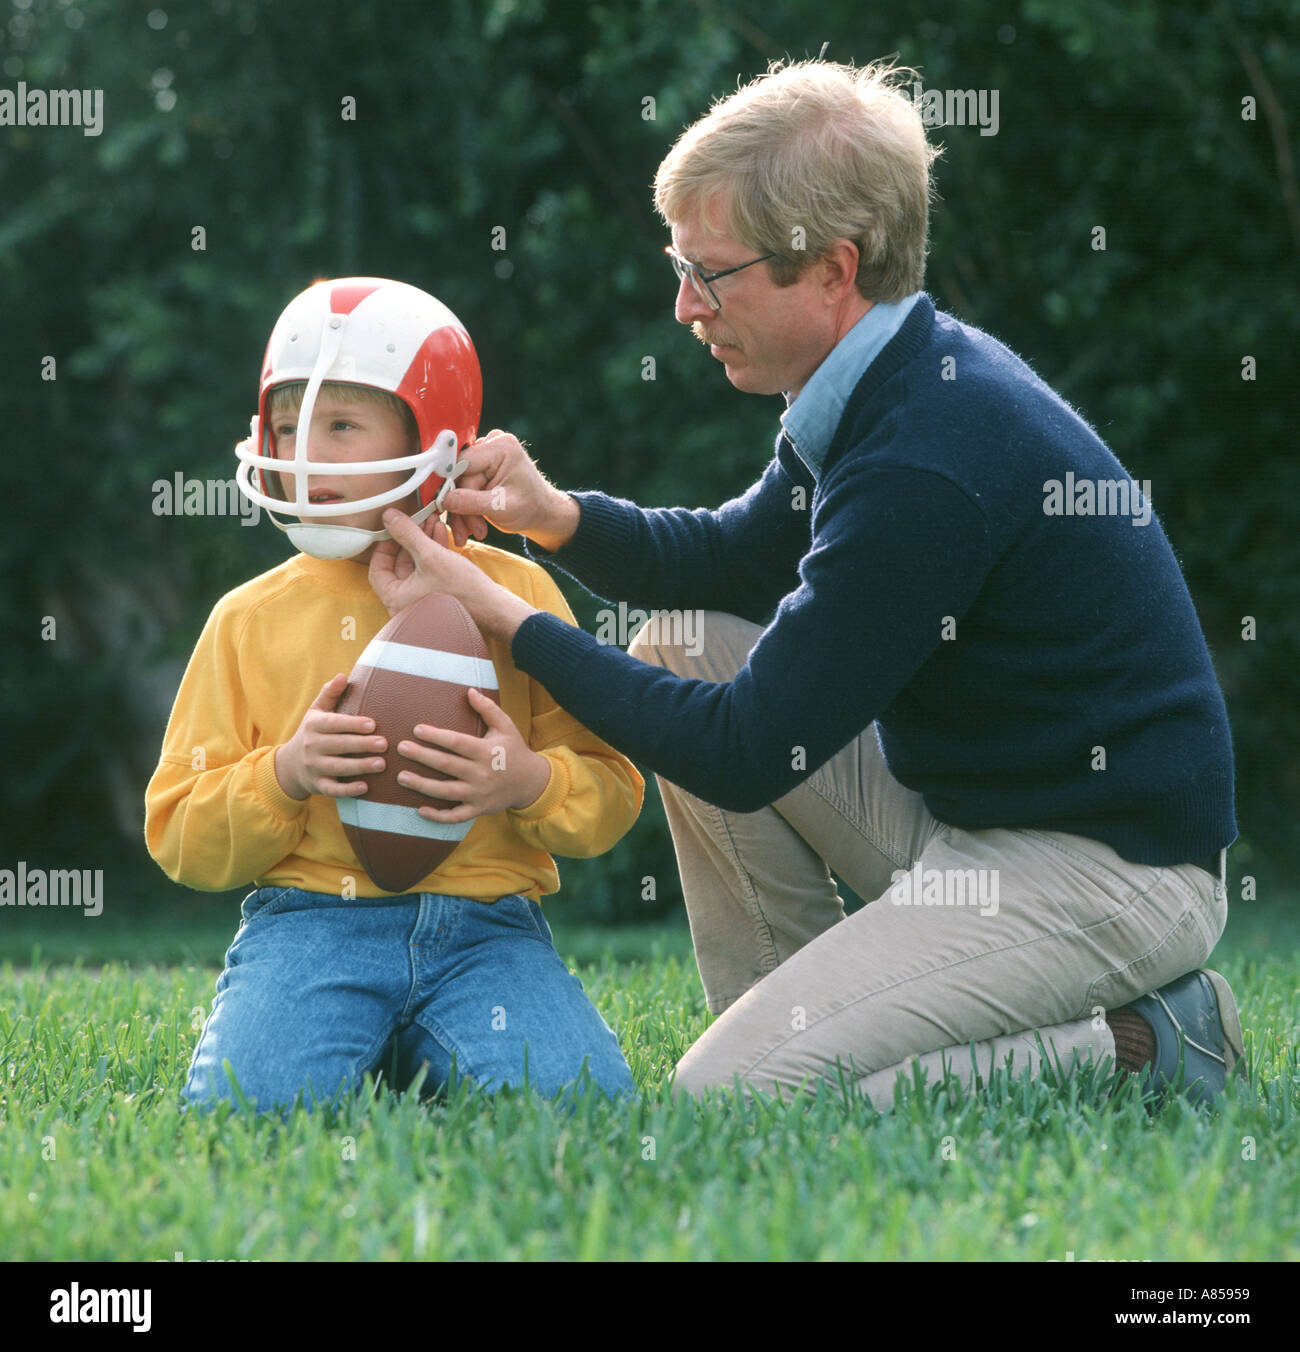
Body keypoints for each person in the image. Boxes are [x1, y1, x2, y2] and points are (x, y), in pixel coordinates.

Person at [369, 60, 1244, 1110]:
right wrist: (551, 515)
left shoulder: (927, 456)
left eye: (713, 273)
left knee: (730, 1094)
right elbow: (735, 559)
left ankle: (1148, 1041)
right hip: (974, 827)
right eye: (679, 266)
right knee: (684, 637)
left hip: (1113, 873)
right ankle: (786, 1020)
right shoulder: (883, 379)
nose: (684, 306)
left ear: (833, 269)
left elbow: (744, 748)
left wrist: (503, 620)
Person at [145, 277, 643, 1113]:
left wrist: (528, 781)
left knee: (580, 1107)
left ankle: (401, 1046)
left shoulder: (515, 596)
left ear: (435, 436)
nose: (305, 453)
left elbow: (614, 789)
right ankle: (366, 1039)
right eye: (287, 425)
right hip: (310, 926)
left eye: (340, 425)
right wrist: (286, 773)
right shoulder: (246, 619)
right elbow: (179, 834)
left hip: (487, 932)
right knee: (250, 1110)